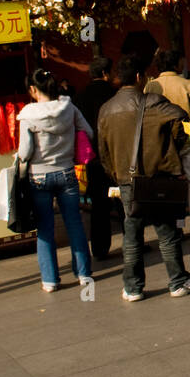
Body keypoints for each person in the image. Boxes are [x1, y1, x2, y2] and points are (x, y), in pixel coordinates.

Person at [97, 56, 190, 301]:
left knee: (132, 235)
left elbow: (103, 151)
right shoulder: (154, 103)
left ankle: (133, 287)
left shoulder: (106, 109)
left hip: (126, 179)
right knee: (166, 232)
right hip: (157, 177)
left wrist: (116, 173)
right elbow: (180, 115)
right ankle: (177, 281)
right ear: (139, 77)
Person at [17, 68, 94, 293]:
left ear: (32, 89)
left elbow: (26, 150)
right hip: (67, 171)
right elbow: (87, 131)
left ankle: (50, 280)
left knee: (45, 228)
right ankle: (83, 274)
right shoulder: (68, 107)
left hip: (39, 176)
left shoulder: (28, 114)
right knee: (74, 224)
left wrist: (21, 159)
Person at [145, 49, 190, 238]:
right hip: (187, 140)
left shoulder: (151, 87)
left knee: (172, 184)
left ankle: (177, 226)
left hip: (162, 142)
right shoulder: (187, 85)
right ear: (175, 63)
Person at [76, 56, 115, 259]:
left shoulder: (80, 97)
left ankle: (99, 249)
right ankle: (135, 242)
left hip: (92, 157)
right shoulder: (113, 94)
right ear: (105, 74)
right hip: (114, 155)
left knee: (99, 205)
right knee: (124, 201)